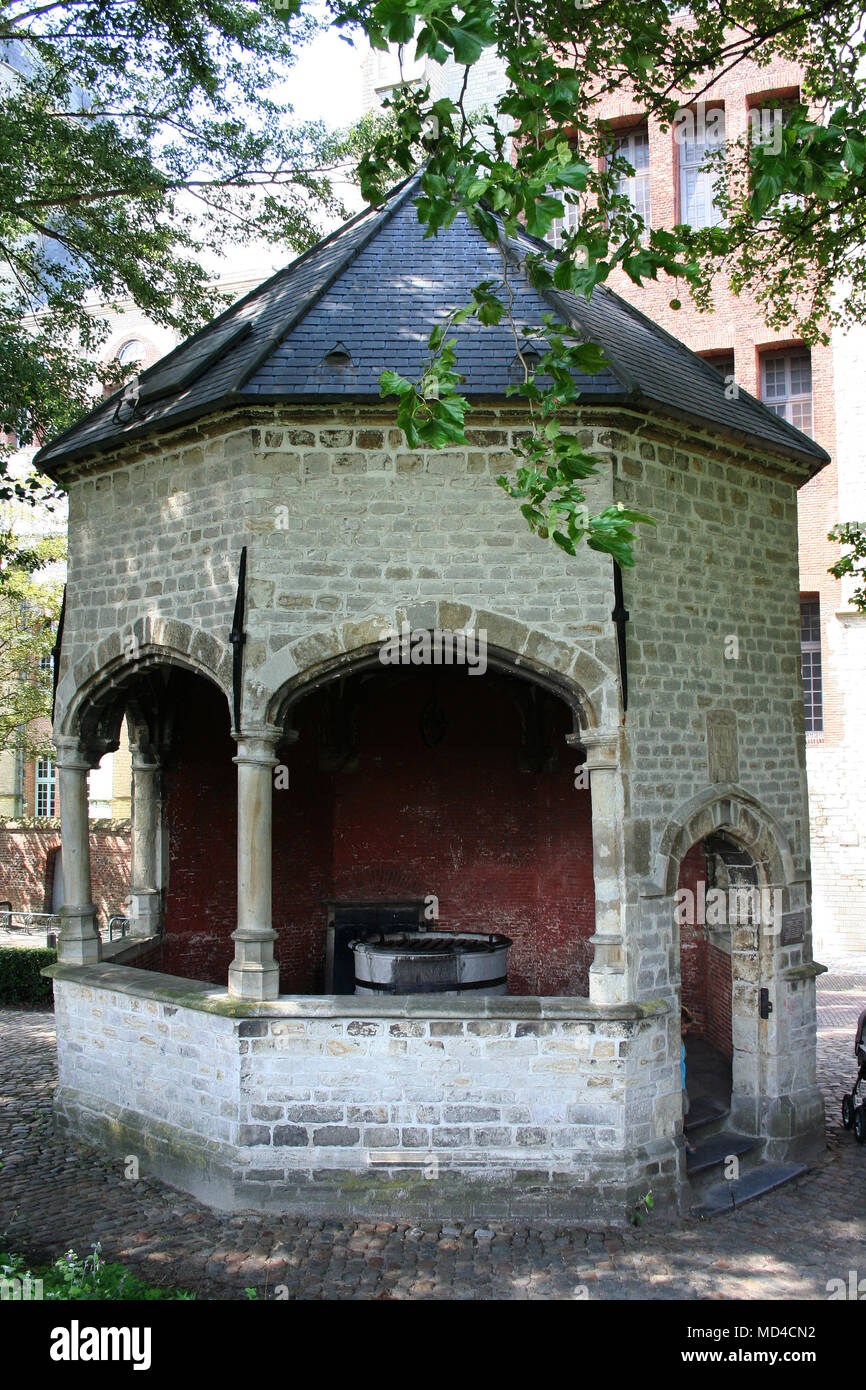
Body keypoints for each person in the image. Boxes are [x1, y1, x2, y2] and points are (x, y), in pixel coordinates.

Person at [681, 1007, 696, 1155]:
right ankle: (682, 1139)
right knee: (680, 1111)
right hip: (677, 1084)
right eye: (683, 1028)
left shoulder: (680, 1043)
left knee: (683, 1110)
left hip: (681, 1083)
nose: (685, 1032)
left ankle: (682, 1137)